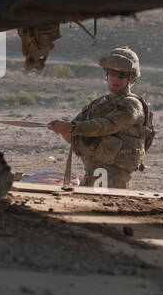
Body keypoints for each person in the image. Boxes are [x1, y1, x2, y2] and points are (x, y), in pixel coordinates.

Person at [47, 47, 154, 189]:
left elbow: (108, 125)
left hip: (115, 177)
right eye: (112, 73)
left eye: (121, 75)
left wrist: (72, 127)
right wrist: (63, 129)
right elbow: (76, 135)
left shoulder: (132, 105)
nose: (115, 79)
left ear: (132, 78)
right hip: (92, 174)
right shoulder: (97, 104)